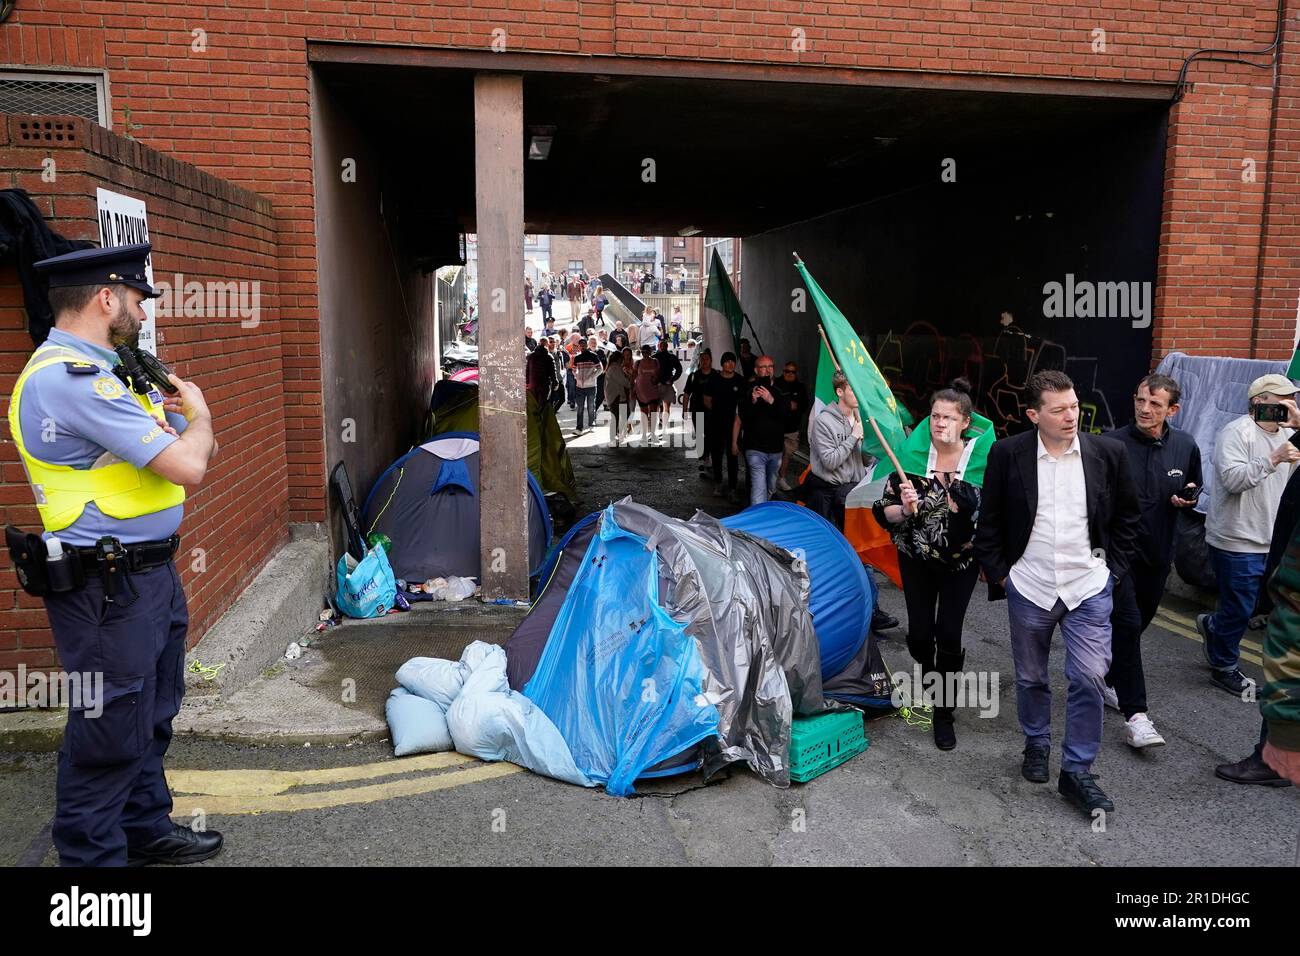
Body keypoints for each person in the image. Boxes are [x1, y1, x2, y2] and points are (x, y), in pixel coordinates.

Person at [16, 244, 221, 866]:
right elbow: (188, 465)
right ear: (106, 298)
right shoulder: (67, 380)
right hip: (106, 588)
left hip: (143, 576)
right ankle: (93, 872)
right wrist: (201, 416)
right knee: (108, 732)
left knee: (151, 711)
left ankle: (143, 828)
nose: (141, 312)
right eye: (136, 300)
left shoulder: (104, 374)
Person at [973, 370, 1141, 817]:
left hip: (1088, 587)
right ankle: (1036, 742)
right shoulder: (1008, 454)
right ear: (1034, 414)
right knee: (1031, 677)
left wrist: (1112, 573)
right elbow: (988, 523)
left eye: (1073, 406)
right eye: (1058, 410)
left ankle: (1077, 771)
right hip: (1028, 587)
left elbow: (1128, 517)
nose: (1071, 416)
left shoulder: (1108, 452)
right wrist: (1002, 576)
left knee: (1089, 677)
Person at [872, 379, 983, 750]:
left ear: (964, 421)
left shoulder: (982, 462)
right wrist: (902, 508)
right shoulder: (912, 460)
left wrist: (972, 509)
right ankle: (931, 675)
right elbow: (882, 513)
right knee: (921, 637)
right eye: (935, 416)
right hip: (916, 559)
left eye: (948, 417)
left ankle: (943, 712)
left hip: (960, 565)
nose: (939, 423)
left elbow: (1001, 513)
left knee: (949, 635)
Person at [1103, 373, 1201, 749]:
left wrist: (1187, 497)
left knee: (1138, 624)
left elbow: (1193, 484)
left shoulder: (1186, 446)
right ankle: (1137, 717)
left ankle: (1106, 678)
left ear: (1172, 409)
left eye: (1155, 404)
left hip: (1159, 553)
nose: (1145, 409)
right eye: (1141, 400)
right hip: (1118, 557)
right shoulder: (1111, 444)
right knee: (1127, 624)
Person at [1197, 374, 1300, 696]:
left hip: (1271, 538)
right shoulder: (1237, 432)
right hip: (1236, 538)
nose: (1289, 405)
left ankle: (1214, 627)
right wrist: (1275, 458)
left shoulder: (1289, 434)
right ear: (1258, 402)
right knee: (1240, 607)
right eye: (1281, 400)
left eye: (1292, 399)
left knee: (1249, 605)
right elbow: (1233, 480)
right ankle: (1224, 666)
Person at [735, 355, 786, 505]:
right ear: (756, 370)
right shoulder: (748, 391)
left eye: (770, 366)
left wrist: (771, 400)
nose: (767, 370)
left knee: (770, 488)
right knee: (758, 489)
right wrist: (753, 401)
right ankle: (757, 526)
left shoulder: (779, 391)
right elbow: (741, 417)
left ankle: (764, 513)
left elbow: (785, 416)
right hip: (755, 449)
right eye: (763, 367)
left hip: (775, 449)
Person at [705, 352, 745, 500]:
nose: (730, 364)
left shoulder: (740, 381)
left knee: (733, 456)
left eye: (732, 362)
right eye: (727, 362)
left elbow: (743, 404)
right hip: (716, 424)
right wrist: (717, 412)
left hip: (734, 426)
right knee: (716, 455)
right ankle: (718, 483)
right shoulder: (714, 380)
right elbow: (707, 400)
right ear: (722, 364)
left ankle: (733, 488)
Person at [774, 360, 810, 492]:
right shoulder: (776, 384)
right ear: (783, 371)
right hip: (776, 427)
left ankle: (781, 478)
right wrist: (787, 405)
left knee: (787, 455)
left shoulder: (800, 387)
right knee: (774, 455)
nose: (789, 374)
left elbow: (805, 405)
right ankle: (772, 479)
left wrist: (796, 407)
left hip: (792, 428)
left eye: (792, 372)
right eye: (787, 371)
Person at [683, 349, 715, 465]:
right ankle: (703, 458)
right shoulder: (693, 376)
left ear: (711, 360)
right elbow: (687, 394)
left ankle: (709, 454)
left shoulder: (716, 375)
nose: (704, 361)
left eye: (707, 359)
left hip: (713, 411)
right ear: (699, 361)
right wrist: (684, 410)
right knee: (700, 434)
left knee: (711, 434)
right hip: (697, 410)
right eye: (702, 359)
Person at [572, 336, 604, 435]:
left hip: (591, 386)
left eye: (584, 345)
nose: (582, 347)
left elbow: (600, 368)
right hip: (579, 387)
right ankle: (579, 428)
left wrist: (592, 377)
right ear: (578, 347)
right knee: (580, 408)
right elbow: (574, 369)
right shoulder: (577, 357)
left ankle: (591, 424)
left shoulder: (593, 356)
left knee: (591, 407)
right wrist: (576, 375)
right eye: (580, 345)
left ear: (587, 345)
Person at [604, 347, 635, 446]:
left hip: (616, 396)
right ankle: (614, 437)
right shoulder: (615, 368)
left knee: (618, 417)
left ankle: (616, 435)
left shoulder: (613, 367)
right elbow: (624, 382)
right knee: (617, 417)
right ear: (619, 359)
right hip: (616, 397)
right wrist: (630, 381)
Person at [633, 345, 663, 445]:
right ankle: (644, 435)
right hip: (641, 391)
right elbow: (633, 376)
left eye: (647, 352)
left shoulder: (655, 361)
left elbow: (659, 375)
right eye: (643, 352)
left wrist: (656, 380)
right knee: (644, 414)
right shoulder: (638, 363)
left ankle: (653, 434)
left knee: (653, 413)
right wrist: (632, 390)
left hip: (653, 390)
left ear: (650, 352)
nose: (645, 354)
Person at [654, 339, 683, 438]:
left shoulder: (671, 357)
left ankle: (664, 428)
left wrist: (672, 379)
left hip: (667, 385)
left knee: (666, 407)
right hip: (657, 386)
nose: (662, 347)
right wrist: (653, 381)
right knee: (655, 408)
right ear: (658, 346)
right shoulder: (655, 357)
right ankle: (656, 428)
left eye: (664, 345)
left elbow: (679, 369)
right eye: (661, 345)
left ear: (667, 346)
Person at [526, 334, 558, 406]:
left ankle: (536, 417)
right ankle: (542, 416)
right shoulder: (549, 356)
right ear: (547, 344)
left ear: (538, 344)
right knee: (543, 404)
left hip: (532, 384)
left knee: (534, 404)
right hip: (544, 384)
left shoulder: (531, 356)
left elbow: (527, 370)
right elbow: (553, 372)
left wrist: (527, 382)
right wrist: (555, 382)